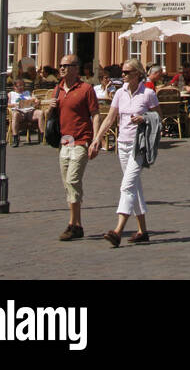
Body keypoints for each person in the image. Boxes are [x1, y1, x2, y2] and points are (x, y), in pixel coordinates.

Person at [90, 59, 159, 247]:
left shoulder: (148, 94)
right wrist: (97, 138)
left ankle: (118, 230)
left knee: (127, 186)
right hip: (122, 144)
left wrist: (144, 117)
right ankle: (142, 231)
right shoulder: (119, 93)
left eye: (127, 72)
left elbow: (158, 118)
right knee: (134, 186)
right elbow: (110, 118)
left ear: (137, 73)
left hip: (140, 145)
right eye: (123, 72)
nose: (123, 75)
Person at [52, 53, 101, 241]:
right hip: (65, 142)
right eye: (60, 65)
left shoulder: (86, 89)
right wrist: (51, 108)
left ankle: (72, 224)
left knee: (73, 180)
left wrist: (95, 139)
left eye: (65, 65)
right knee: (68, 184)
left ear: (75, 68)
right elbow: (54, 117)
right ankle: (77, 225)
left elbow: (95, 114)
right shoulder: (58, 89)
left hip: (81, 141)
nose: (62, 68)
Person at [8, 78, 44, 145]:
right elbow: (7, 105)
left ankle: (43, 136)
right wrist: (15, 104)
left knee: (40, 113)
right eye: (19, 86)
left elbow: (36, 100)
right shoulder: (11, 94)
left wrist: (36, 101)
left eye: (22, 85)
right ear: (14, 87)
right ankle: (15, 138)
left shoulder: (28, 93)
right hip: (19, 113)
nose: (21, 87)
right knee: (15, 115)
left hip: (30, 111)